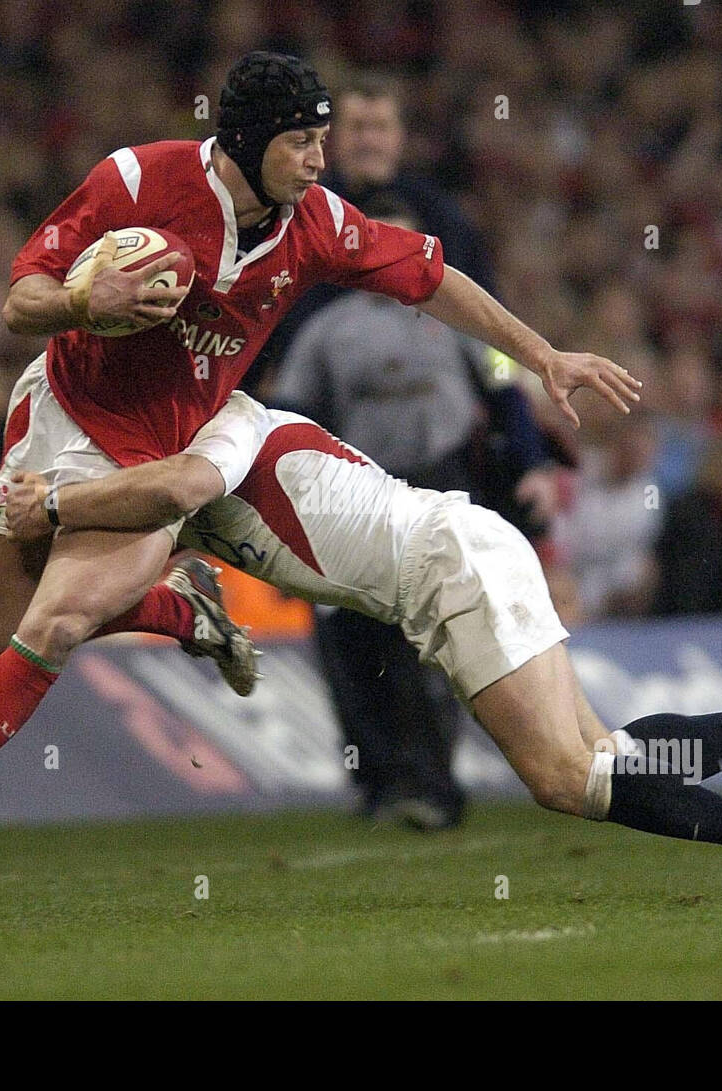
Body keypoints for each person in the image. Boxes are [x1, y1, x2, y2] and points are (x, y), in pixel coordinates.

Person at [0, 50, 640, 884]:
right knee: (3, 632)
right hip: (60, 414)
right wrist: (86, 301)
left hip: (167, 453)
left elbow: (432, 277)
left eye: (328, 138)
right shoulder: (136, 180)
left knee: (52, 627)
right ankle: (182, 613)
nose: (322, 160)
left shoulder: (323, 221)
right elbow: (19, 300)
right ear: (250, 139)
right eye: (304, 141)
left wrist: (540, 355)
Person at [0, 390, 722, 899]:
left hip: (449, 560)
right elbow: (81, 588)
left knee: (567, 775)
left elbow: (146, 509)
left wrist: (43, 507)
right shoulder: (158, 463)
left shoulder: (214, 428)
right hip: (438, 573)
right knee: (601, 757)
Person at [272, 193, 556, 828]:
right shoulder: (326, 330)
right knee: (350, 639)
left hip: (441, 485)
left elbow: (504, 387)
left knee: (435, 639)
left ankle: (433, 784)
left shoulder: (455, 321)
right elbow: (292, 416)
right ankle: (378, 779)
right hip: (356, 494)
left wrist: (532, 463)